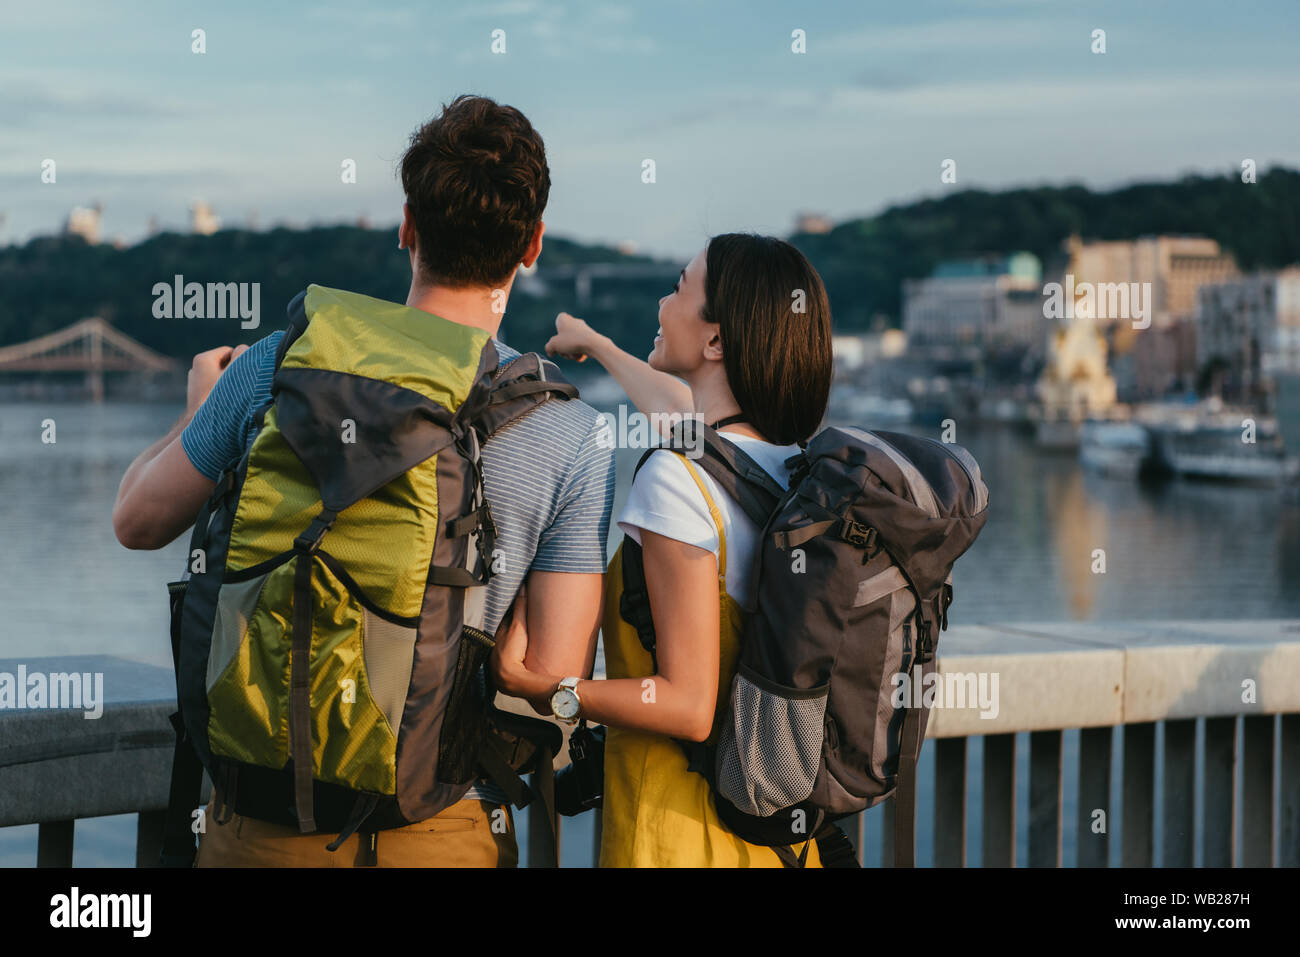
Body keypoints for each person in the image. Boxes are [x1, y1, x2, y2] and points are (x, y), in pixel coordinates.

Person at [112, 94, 616, 867]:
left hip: (257, 833)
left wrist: (199, 409)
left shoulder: (277, 366)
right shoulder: (566, 433)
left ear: (408, 225)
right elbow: (552, 671)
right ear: (534, 246)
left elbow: (136, 520)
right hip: (436, 829)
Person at [491, 232, 835, 866]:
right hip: (775, 843)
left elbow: (687, 704)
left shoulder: (676, 479)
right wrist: (597, 345)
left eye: (679, 286)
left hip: (677, 837)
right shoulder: (787, 471)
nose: (661, 300)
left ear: (715, 341)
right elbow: (681, 409)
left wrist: (550, 688)